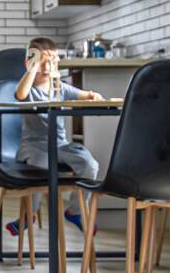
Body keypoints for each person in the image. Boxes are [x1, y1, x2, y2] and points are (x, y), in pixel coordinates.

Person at [7, 36, 102, 233]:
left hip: (60, 145)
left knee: (90, 164)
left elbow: (84, 95)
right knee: (44, 163)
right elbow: (20, 95)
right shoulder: (29, 88)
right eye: (41, 64)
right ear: (29, 64)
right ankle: (29, 214)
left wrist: (93, 95)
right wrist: (33, 67)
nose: (45, 69)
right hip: (33, 147)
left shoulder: (60, 87)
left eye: (48, 63)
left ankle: (75, 210)